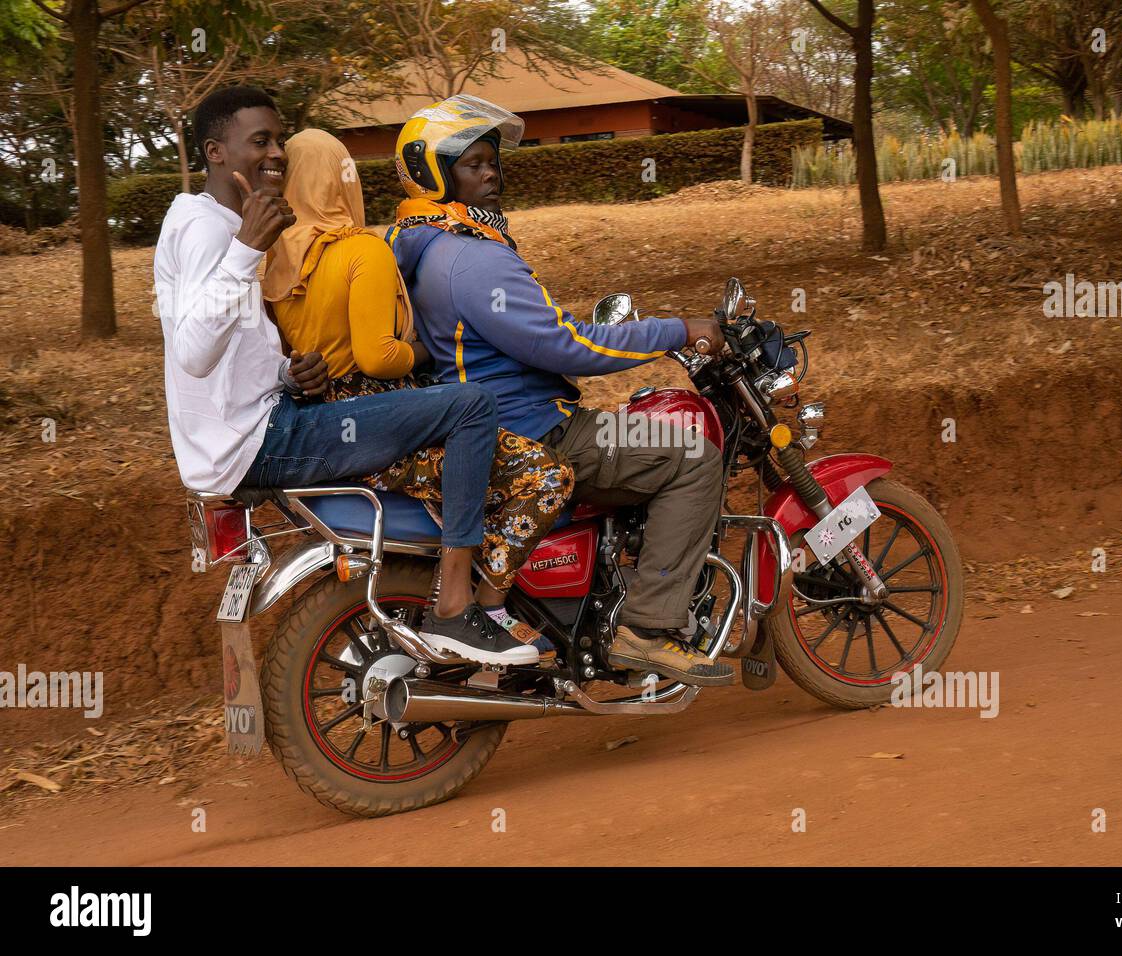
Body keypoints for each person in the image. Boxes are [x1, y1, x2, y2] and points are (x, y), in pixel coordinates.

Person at [154, 86, 541, 666]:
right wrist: (245, 249)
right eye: (259, 141)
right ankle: (458, 608)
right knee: (471, 406)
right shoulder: (219, 233)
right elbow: (192, 353)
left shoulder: (195, 220)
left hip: (255, 424)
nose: (277, 155)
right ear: (215, 152)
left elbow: (219, 348)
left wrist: (286, 371)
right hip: (262, 441)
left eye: (280, 141)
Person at [386, 95, 734, 687]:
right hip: (534, 426)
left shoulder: (420, 245)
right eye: (473, 163)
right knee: (694, 457)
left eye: (493, 161)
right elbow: (568, 346)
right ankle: (648, 630)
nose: (491, 172)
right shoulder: (471, 260)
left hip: (485, 419)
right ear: (433, 174)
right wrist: (678, 329)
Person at [262, 127, 572, 657]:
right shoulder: (362, 250)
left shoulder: (273, 262)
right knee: (548, 475)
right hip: (382, 413)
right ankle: (475, 606)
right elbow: (377, 357)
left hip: (322, 418)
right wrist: (425, 353)